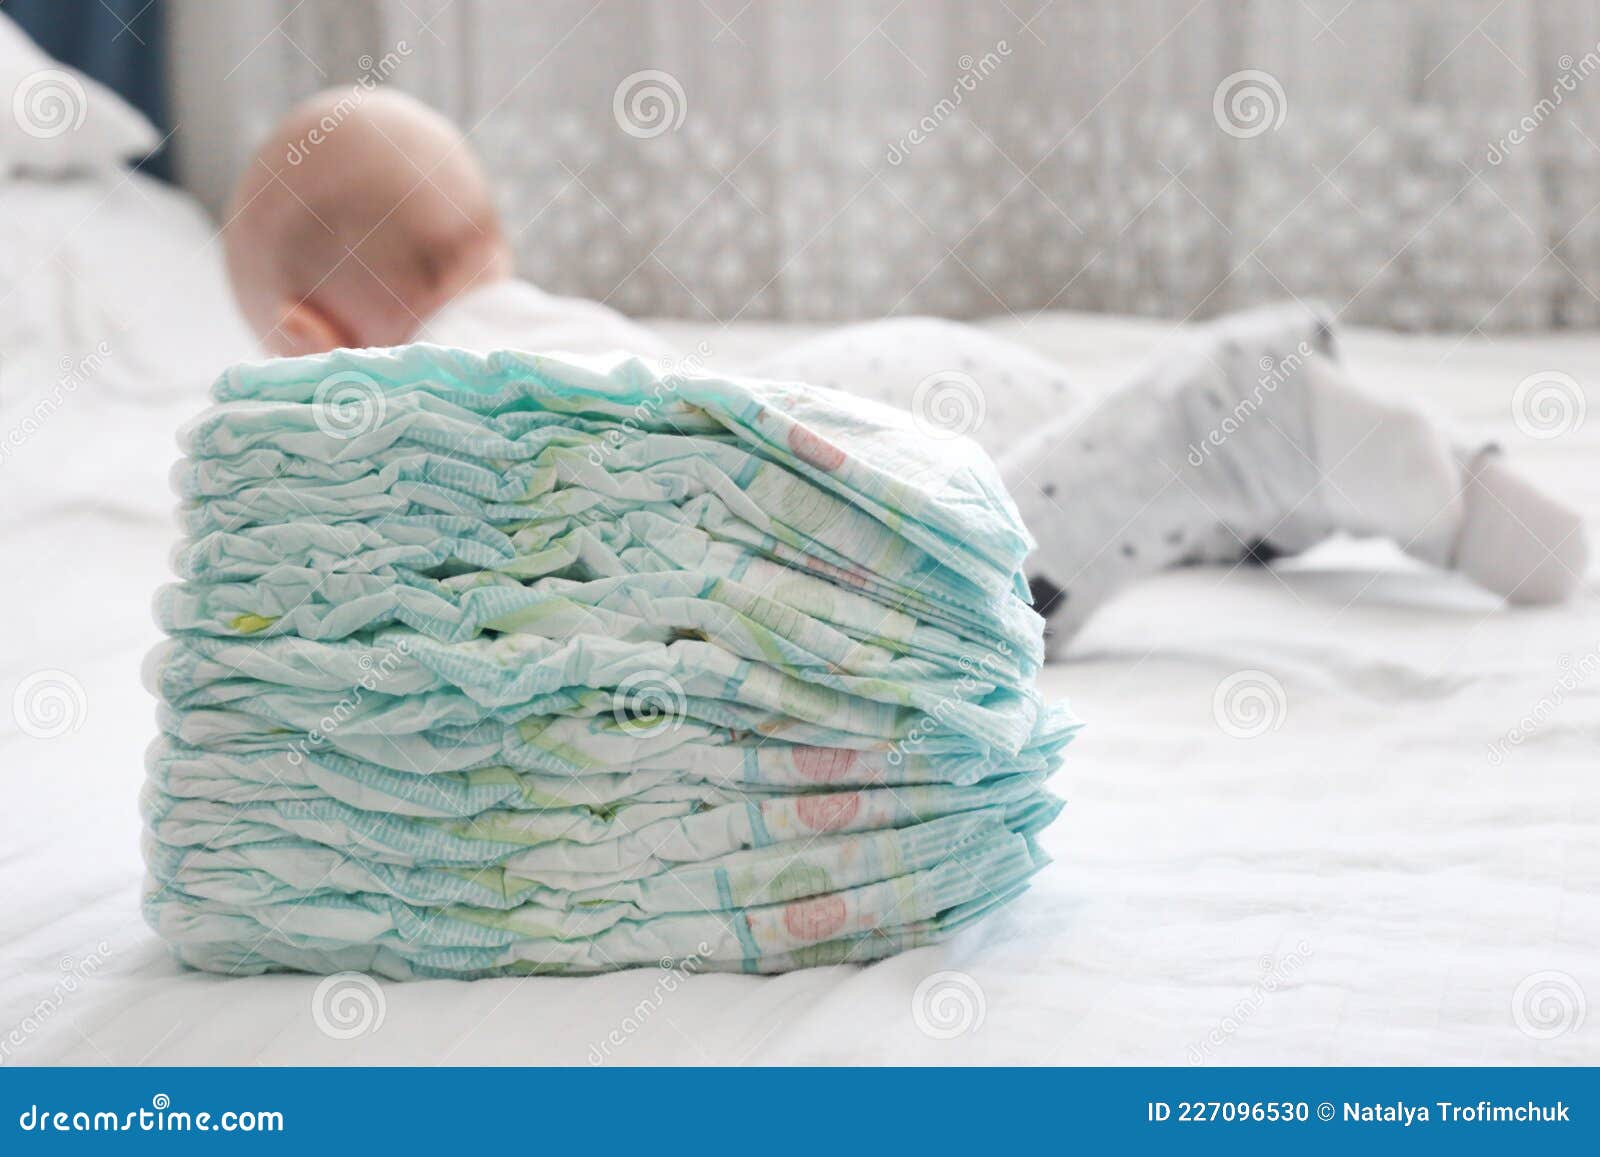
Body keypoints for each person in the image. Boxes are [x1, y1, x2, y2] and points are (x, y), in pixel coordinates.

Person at [223, 88, 1589, 656]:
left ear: (307, 340)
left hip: (838, 458)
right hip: (906, 376)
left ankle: (1258, 417)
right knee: (1095, 483)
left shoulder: (424, 390)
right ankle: (1284, 494)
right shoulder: (544, 312)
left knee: (965, 580)